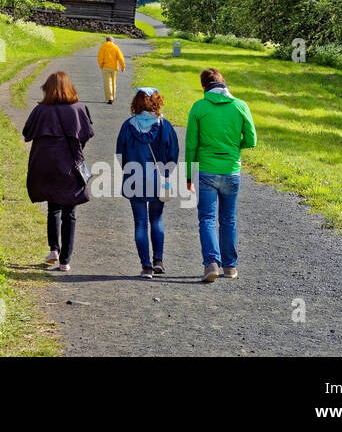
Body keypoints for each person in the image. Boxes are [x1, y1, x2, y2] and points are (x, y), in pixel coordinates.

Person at [185, 68, 257, 283]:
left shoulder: (199, 107)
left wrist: (188, 176)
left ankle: (211, 263)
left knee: (207, 218)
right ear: (223, 83)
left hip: (206, 170)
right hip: (231, 170)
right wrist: (235, 147)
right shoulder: (240, 106)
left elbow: (191, 145)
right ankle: (230, 267)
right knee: (228, 219)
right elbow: (251, 140)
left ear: (203, 86)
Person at [22, 72, 94, 273]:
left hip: (45, 165)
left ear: (48, 89)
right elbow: (86, 135)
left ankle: (54, 249)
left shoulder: (40, 110)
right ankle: (65, 260)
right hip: (69, 165)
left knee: (53, 207)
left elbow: (27, 133)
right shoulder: (79, 109)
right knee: (69, 212)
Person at [114, 88, 180, 278]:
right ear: (157, 102)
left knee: (140, 223)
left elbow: (120, 155)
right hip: (158, 179)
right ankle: (158, 260)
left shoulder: (128, 126)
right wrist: (167, 173)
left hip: (134, 180)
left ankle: (146, 266)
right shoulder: (165, 126)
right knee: (157, 219)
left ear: (136, 103)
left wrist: (128, 171)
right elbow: (173, 154)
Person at [96, 36, 126, 104]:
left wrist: (101, 66)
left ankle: (110, 98)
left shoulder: (103, 47)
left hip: (106, 67)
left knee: (107, 83)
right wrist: (123, 66)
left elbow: (100, 57)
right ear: (112, 41)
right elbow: (120, 58)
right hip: (114, 68)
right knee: (113, 83)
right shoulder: (116, 47)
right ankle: (113, 97)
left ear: (106, 41)